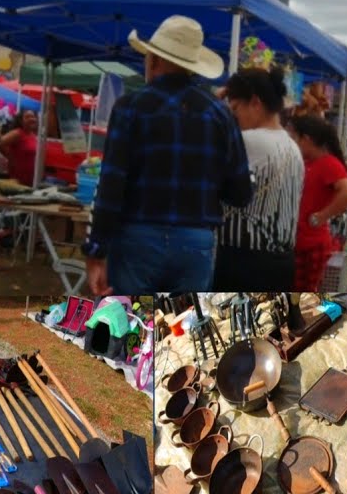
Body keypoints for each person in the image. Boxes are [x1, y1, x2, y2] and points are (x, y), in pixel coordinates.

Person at [83, 15, 252, 293]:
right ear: (191, 66)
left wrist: (96, 249)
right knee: (183, 327)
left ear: (154, 60)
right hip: (195, 240)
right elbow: (241, 193)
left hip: (137, 237)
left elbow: (111, 185)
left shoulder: (129, 107)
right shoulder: (220, 113)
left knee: (136, 325)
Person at [214, 67, 304, 291]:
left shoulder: (250, 141)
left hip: (243, 260)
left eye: (235, 109)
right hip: (281, 262)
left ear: (255, 102)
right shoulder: (291, 146)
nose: (234, 117)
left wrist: (214, 104)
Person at [290, 115, 347, 291]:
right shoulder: (306, 163)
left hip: (312, 242)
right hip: (298, 240)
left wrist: (322, 215)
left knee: (305, 292)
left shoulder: (328, 163)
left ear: (306, 139)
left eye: (295, 138)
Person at [0, 109, 40, 186]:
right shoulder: (17, 133)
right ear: (21, 121)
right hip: (18, 180)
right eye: (27, 117)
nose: (31, 119)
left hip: (30, 180)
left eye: (33, 116)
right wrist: (9, 156)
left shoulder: (33, 135)